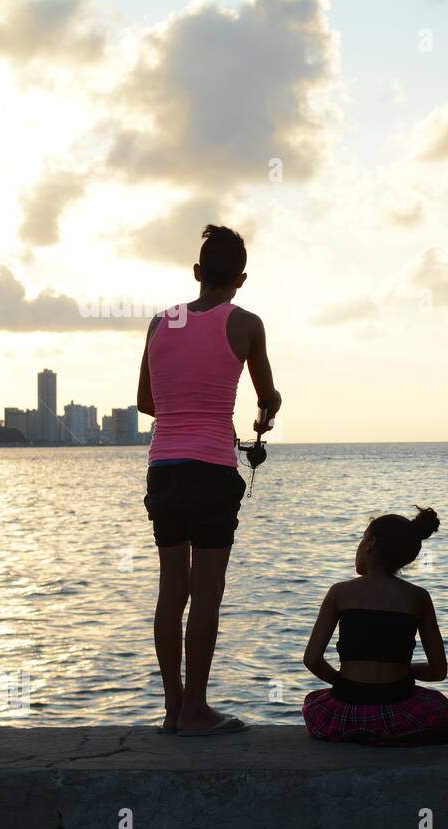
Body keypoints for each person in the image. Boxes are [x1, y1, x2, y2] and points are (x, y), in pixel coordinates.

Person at [137, 224, 283, 736]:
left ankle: (174, 708)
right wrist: (263, 417)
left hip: (165, 469)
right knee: (207, 594)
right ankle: (197, 708)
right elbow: (268, 398)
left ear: (197, 273)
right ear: (240, 279)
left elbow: (147, 403)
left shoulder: (160, 323)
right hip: (213, 468)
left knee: (170, 592)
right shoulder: (246, 324)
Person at [302, 507, 448, 746]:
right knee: (441, 711)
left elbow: (312, 660)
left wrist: (345, 684)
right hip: (397, 709)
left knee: (313, 702)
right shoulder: (418, 597)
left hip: (346, 711)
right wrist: (404, 670)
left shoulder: (339, 592)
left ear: (371, 544)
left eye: (362, 539)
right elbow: (438, 672)